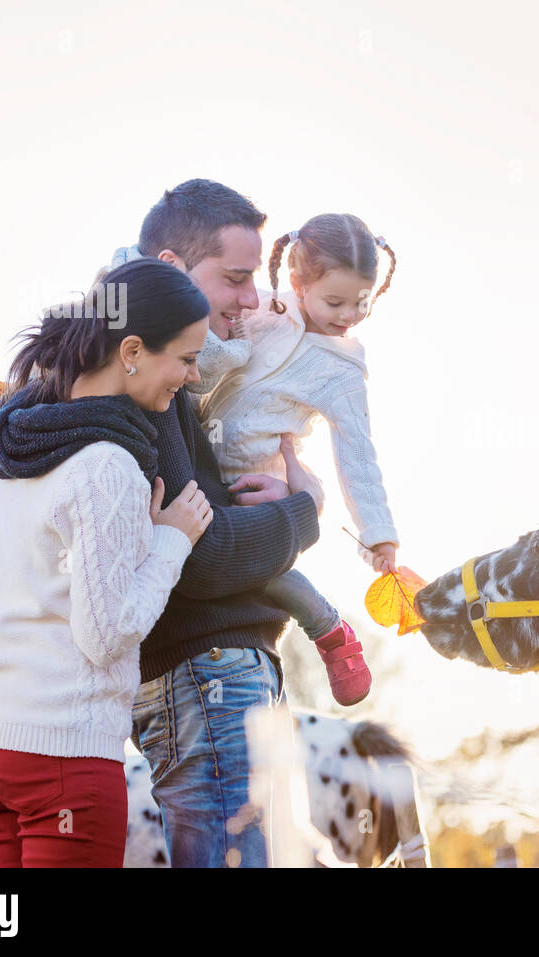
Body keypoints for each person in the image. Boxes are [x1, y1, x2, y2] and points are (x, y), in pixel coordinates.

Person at [0, 258, 214, 867]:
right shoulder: (108, 466)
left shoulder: (14, 446)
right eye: (185, 357)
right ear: (131, 350)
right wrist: (172, 540)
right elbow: (106, 635)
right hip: (61, 757)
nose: (193, 374)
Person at [118, 179, 324, 868]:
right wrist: (304, 512)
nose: (249, 298)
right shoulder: (150, 376)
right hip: (206, 674)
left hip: (214, 675)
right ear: (174, 268)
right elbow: (198, 558)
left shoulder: (172, 372)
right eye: (234, 279)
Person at [188, 213, 401, 707]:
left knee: (257, 561)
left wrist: (379, 532)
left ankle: (328, 630)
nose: (349, 314)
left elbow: (357, 452)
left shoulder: (342, 369)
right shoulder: (258, 310)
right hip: (196, 450)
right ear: (299, 284)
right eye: (335, 301)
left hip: (255, 476)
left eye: (361, 302)